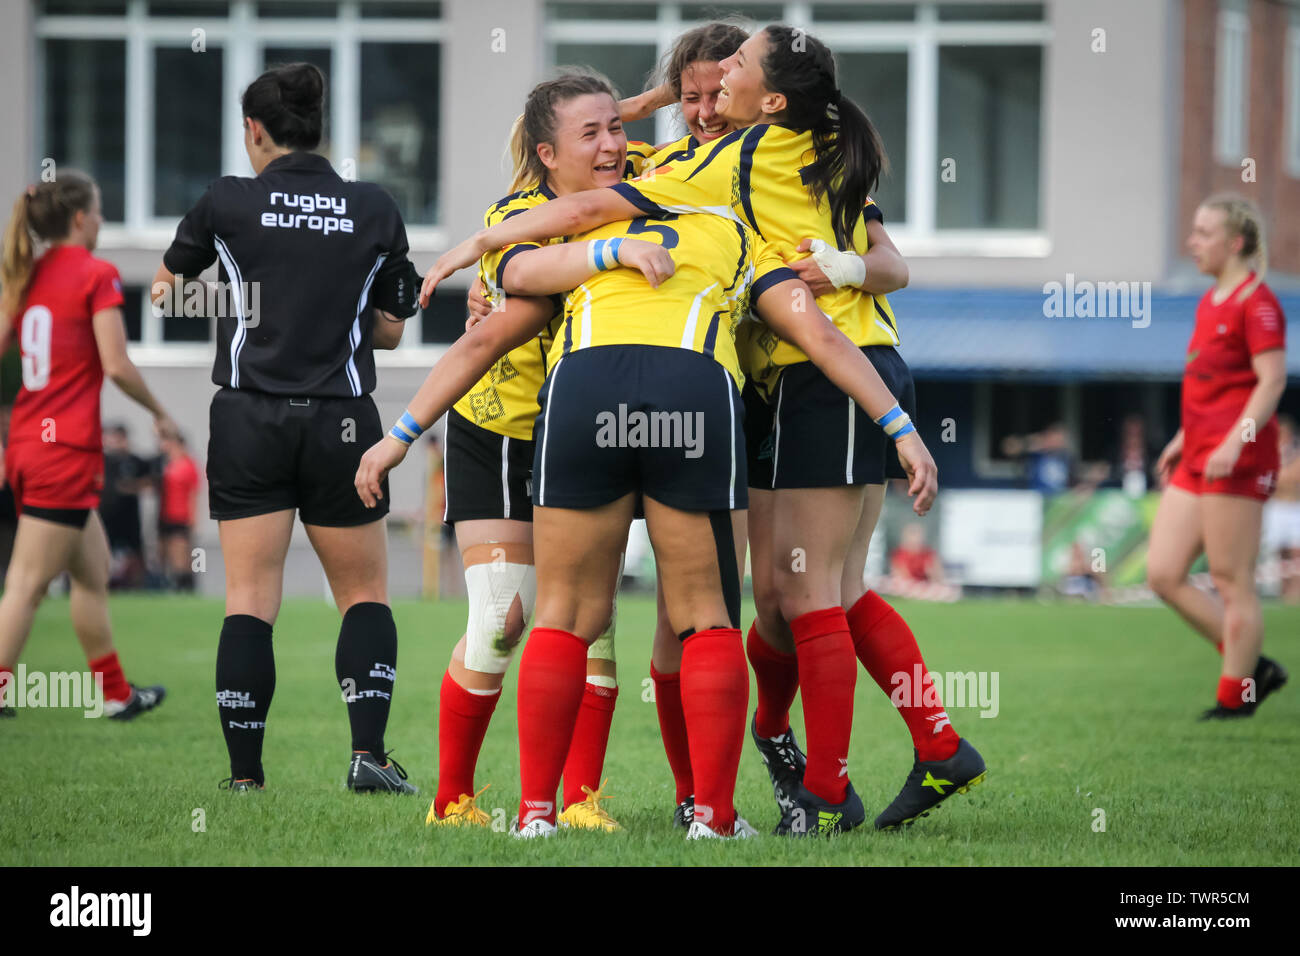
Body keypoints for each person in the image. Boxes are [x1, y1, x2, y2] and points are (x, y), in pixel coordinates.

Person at [418, 24, 984, 835]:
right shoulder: (797, 147)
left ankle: (819, 783)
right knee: (780, 601)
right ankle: (773, 773)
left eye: (724, 83)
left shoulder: (723, 168)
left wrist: (485, 251)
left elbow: (880, 261)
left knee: (780, 598)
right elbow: (583, 186)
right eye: (690, 96)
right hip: (774, 380)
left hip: (802, 375)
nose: (705, 103)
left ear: (760, 96)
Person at [152, 63, 423, 790]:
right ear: (320, 129)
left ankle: (245, 777)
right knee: (364, 596)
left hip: (248, 419)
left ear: (254, 130)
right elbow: (392, 333)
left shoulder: (226, 202)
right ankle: (368, 757)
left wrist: (249, 309)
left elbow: (165, 292)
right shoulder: (373, 207)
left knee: (249, 600)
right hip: (343, 422)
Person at [428, 72, 658, 832]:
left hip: (586, 435)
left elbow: (703, 139)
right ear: (545, 152)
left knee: (593, 619)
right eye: (589, 135)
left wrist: (647, 108)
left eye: (615, 128)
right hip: (504, 431)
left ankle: (584, 803)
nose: (612, 145)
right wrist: (617, 252)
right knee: (503, 615)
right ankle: (451, 803)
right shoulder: (518, 216)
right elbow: (528, 285)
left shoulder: (641, 180)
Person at [0, 171, 168, 721]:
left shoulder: (26, 274)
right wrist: (159, 411)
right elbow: (116, 364)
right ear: (78, 219)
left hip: (28, 445)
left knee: (92, 571)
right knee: (25, 584)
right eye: (97, 212)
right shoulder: (96, 274)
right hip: (62, 452)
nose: (100, 221)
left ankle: (116, 694)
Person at [1147, 194, 1289, 719]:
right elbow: (1213, 385)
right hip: (1200, 452)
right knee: (1163, 572)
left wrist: (1236, 440)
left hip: (1239, 457)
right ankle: (1251, 665)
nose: (1192, 243)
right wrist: (1185, 437)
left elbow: (1271, 381)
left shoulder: (1259, 303)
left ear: (1235, 243)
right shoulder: (1210, 301)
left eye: (1203, 233)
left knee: (1231, 579)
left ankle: (1236, 697)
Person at [100, 423, 149, 588]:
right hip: (108, 514)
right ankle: (104, 584)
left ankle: (138, 586)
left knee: (136, 552)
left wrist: (132, 487)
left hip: (130, 515)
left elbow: (151, 482)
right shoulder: (103, 460)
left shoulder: (135, 460)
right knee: (105, 550)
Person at [155, 428, 201, 592]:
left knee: (181, 553)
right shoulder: (165, 464)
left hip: (180, 516)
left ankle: (185, 585)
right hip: (164, 515)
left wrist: (193, 518)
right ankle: (167, 583)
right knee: (163, 552)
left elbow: (193, 494)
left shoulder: (188, 465)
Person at [1263, 416, 1300, 603]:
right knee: (1280, 554)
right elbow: (1270, 482)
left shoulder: (1295, 455)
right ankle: (1284, 592)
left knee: (1296, 553)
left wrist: (1282, 476)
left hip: (1294, 509)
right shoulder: (1270, 454)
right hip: (1276, 509)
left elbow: (1293, 478)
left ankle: (1296, 592)